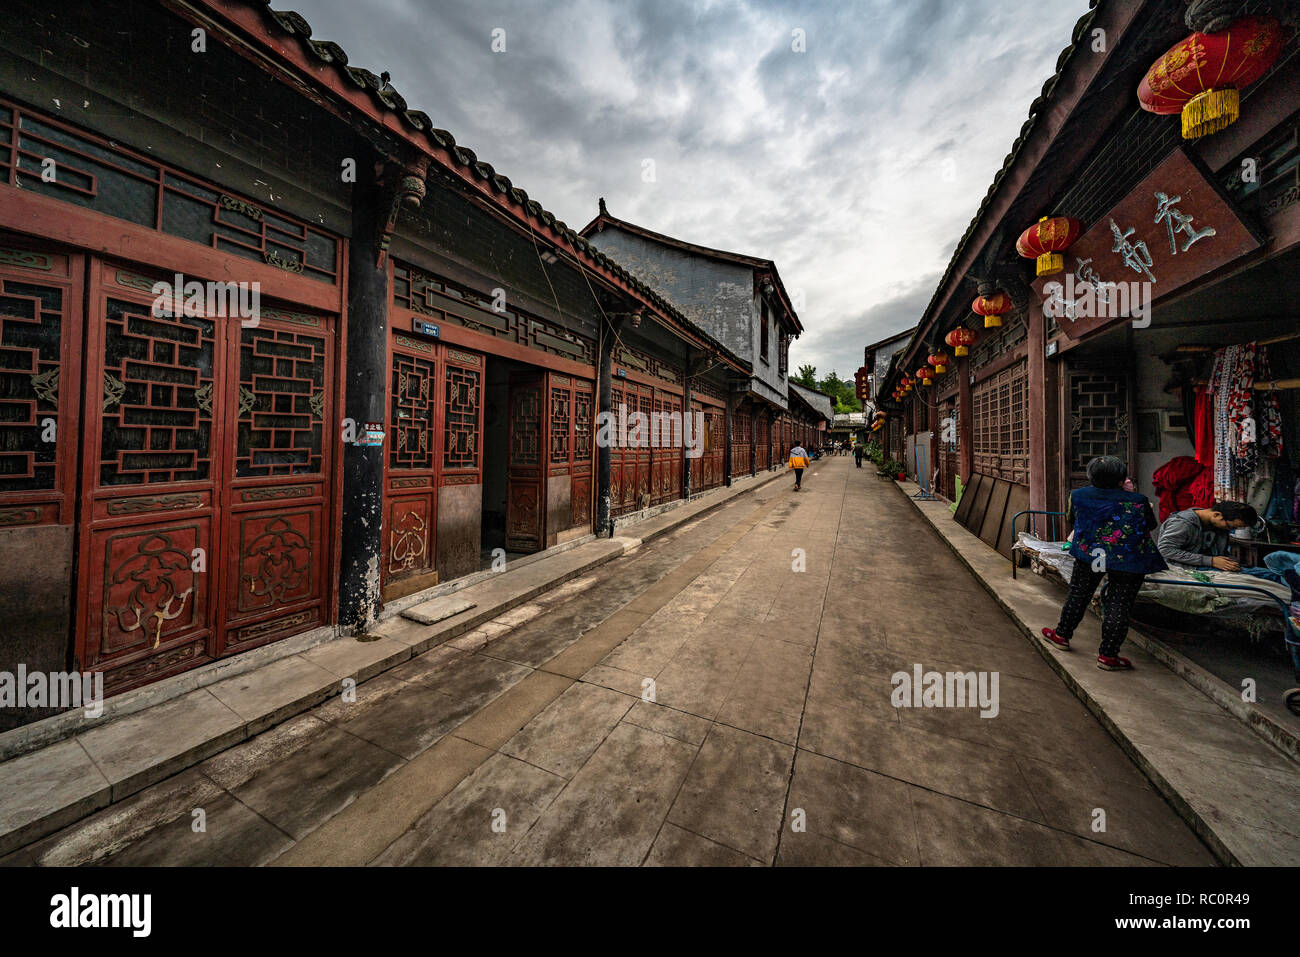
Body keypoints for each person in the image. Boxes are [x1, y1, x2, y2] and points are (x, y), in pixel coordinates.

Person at [1041, 456, 1166, 671]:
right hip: (1128, 559)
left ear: (1091, 477)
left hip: (1092, 555)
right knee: (1119, 603)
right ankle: (1108, 656)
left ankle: (1061, 635)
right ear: (1121, 478)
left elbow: (1072, 517)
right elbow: (1151, 525)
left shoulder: (1078, 496)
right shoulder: (1138, 501)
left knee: (1079, 595)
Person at [1155, 501, 1257, 571]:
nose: (1230, 530)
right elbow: (1165, 549)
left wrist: (1230, 562)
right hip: (1184, 567)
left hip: (1206, 565)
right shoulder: (1183, 523)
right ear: (1217, 515)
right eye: (1229, 526)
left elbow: (1220, 552)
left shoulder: (1219, 526)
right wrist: (1211, 561)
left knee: (1263, 574)